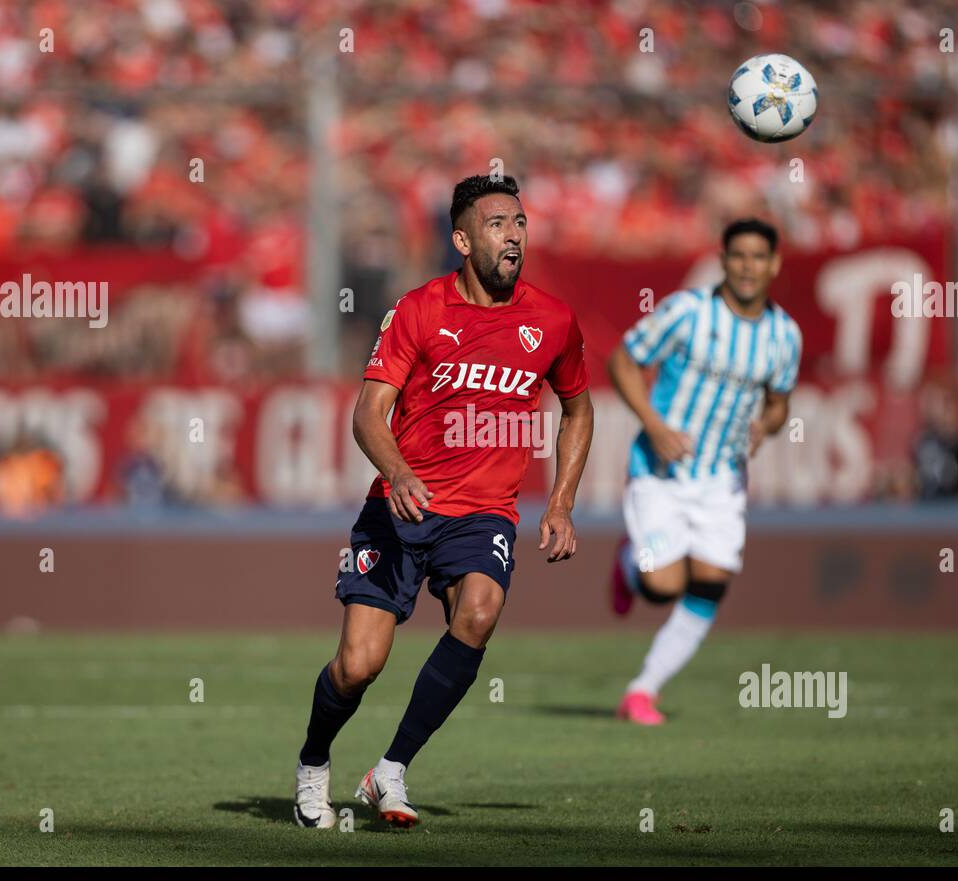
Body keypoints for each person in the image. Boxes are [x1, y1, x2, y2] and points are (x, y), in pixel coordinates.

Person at [293, 174, 594, 827]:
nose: (512, 236)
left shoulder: (552, 321)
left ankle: (391, 770)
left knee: (480, 614)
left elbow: (578, 409)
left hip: (485, 510)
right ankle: (315, 759)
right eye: (496, 224)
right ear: (461, 239)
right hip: (402, 506)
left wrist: (563, 503)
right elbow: (369, 413)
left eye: (519, 223)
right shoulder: (418, 311)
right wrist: (397, 472)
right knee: (358, 665)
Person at [608, 218, 802, 725]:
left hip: (723, 481)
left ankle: (642, 690)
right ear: (723, 259)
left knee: (711, 584)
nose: (747, 266)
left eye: (758, 257)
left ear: (774, 264)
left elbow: (780, 403)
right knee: (662, 584)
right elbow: (623, 362)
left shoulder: (785, 335)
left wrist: (768, 426)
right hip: (660, 472)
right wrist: (653, 424)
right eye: (738, 255)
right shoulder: (686, 311)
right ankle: (630, 565)